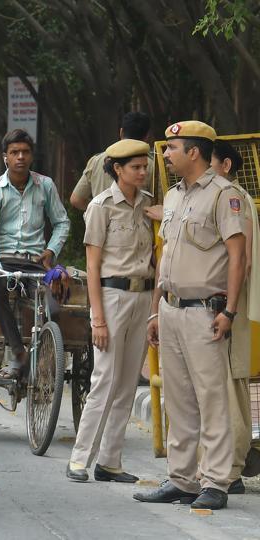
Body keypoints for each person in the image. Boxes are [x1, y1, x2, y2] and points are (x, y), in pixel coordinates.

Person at [134, 121, 246, 511]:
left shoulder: (224, 195)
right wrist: (155, 311)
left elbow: (238, 257)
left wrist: (229, 311)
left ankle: (215, 481)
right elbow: (165, 258)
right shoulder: (174, 196)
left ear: (194, 152)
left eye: (172, 148)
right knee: (178, 399)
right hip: (171, 309)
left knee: (211, 399)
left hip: (205, 312)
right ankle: (182, 479)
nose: (165, 154)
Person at [65, 139, 154, 483]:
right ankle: (79, 459)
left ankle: (110, 461)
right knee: (104, 379)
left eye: (145, 166)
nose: (142, 172)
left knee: (128, 383)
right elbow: (92, 265)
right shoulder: (101, 206)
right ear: (117, 169)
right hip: (112, 296)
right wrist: (98, 319)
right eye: (136, 167)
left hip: (143, 295)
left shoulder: (148, 204)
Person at [0, 128, 70, 380]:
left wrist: (51, 250)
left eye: (25, 152)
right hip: (3, 262)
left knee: (53, 306)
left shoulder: (44, 185)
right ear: (5, 157)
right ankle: (18, 353)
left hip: (35, 262)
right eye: (14, 152)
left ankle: (44, 358)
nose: (20, 157)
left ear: (32, 155)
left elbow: (62, 222)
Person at [207, 139, 259, 494]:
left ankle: (231, 468)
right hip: (225, 306)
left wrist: (228, 307)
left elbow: (244, 259)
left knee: (229, 386)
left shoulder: (233, 199)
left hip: (229, 307)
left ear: (225, 166)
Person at [70, 112, 154, 211]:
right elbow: (160, 203)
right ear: (147, 136)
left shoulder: (96, 160)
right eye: (136, 167)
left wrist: (99, 210)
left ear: (121, 132)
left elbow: (76, 199)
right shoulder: (151, 164)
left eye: (143, 167)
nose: (142, 172)